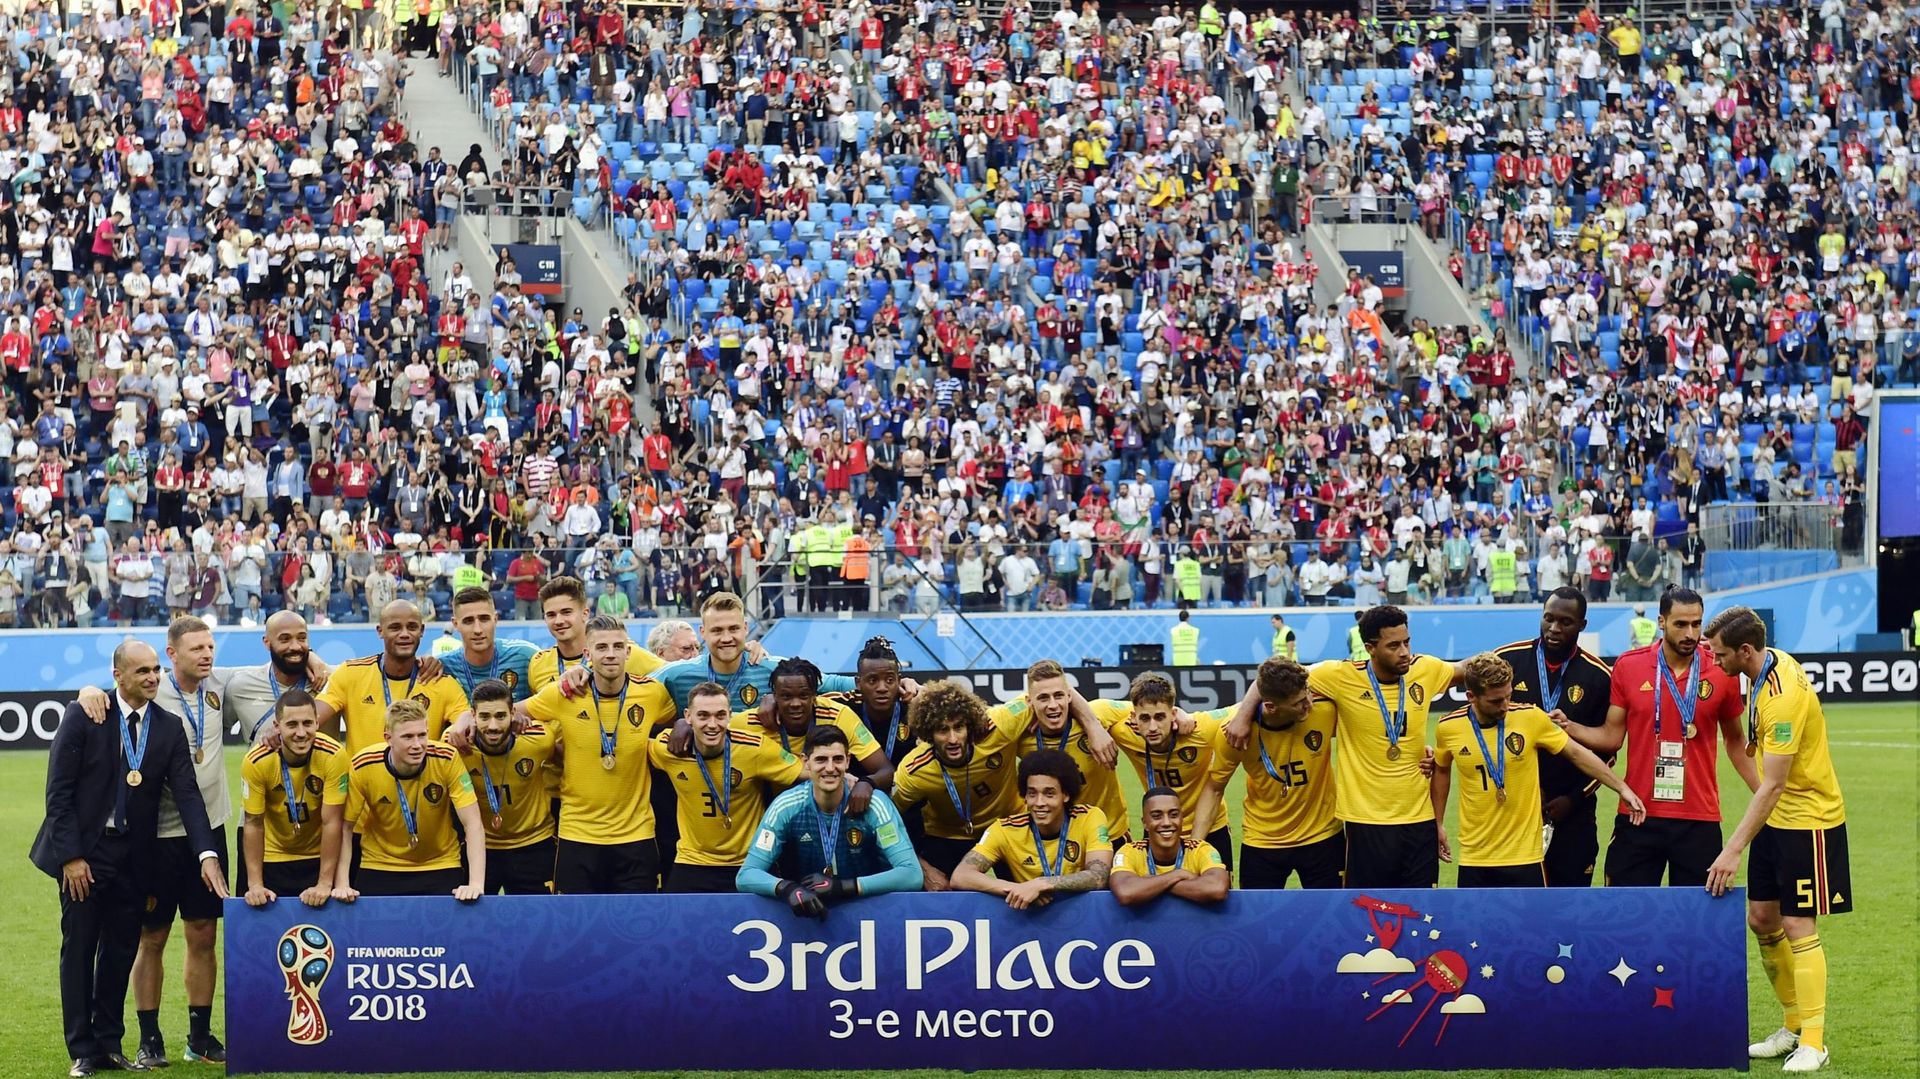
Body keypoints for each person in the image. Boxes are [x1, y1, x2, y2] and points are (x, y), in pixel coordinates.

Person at [33, 640, 226, 1079]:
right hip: (85, 856)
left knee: (120, 952)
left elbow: (189, 795)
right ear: (119, 675)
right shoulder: (87, 714)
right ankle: (82, 1050)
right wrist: (71, 858)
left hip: (134, 858)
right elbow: (58, 793)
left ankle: (109, 1044)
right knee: (79, 951)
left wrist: (207, 853)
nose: (154, 678)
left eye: (156, 669)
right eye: (142, 672)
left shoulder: (168, 726)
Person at [1702, 607, 1850, 1074]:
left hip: (1810, 821)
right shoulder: (1765, 667)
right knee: (1762, 918)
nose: (1716, 662)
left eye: (1721, 654)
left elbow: (1774, 784)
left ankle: (1814, 1040)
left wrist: (1733, 848)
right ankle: (1791, 1025)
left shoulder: (1782, 695)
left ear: (1745, 650)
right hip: (1779, 819)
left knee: (1797, 923)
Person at [1231, 605, 1463, 889]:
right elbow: (1272, 676)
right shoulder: (1339, 676)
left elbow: (1469, 672)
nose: (1404, 652)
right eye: (1393, 645)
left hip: (1419, 818)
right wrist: (1243, 716)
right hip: (1365, 822)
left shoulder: (1425, 669)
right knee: (1367, 913)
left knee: (1422, 911)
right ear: (1370, 648)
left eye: (1407, 642)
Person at [1558, 587, 1760, 886]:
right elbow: (1612, 737)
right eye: (1680, 624)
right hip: (1638, 814)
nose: (1690, 633)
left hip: (1699, 819)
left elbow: (1735, 741)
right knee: (1624, 917)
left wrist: (1764, 792)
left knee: (1697, 923)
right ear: (1661, 622)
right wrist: (1570, 727)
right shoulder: (1629, 665)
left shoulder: (1720, 670)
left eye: (1696, 624)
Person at [1432, 654, 1646, 887]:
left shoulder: (1530, 718)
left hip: (1526, 856)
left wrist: (1621, 788)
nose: (1505, 706)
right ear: (1471, 696)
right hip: (1475, 857)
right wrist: (1439, 823)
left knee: (1530, 924)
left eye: (1508, 696)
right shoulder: (1448, 727)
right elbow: (1442, 770)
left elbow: (1576, 753)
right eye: (1495, 701)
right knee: (1476, 925)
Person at [523, 615, 676, 893]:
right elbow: (511, 713)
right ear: (587, 654)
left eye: (618, 647)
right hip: (577, 834)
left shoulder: (653, 694)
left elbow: (686, 712)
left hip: (636, 835)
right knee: (576, 929)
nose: (610, 654)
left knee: (637, 929)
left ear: (629, 651)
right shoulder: (564, 693)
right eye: (601, 647)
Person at [1495, 587, 1616, 886]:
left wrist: (1573, 799)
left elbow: (1609, 753)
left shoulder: (1599, 677)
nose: (1554, 628)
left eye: (1565, 622)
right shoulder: (1507, 661)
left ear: (1582, 625)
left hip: (1573, 813)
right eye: (1548, 618)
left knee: (1569, 906)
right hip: (1512, 810)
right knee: (1515, 907)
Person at [737, 726, 924, 914]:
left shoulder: (875, 805)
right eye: (820, 759)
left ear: (848, 761)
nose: (830, 768)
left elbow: (911, 875)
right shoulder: (786, 806)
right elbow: (746, 875)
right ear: (805, 762)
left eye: (837, 759)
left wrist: (846, 887)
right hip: (811, 913)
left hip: (872, 911)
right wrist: (787, 888)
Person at [1191, 657, 1342, 889]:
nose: (1309, 704)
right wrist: (1194, 847)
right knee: (1256, 922)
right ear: (1270, 706)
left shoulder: (1324, 710)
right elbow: (1214, 789)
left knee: (1333, 920)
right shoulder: (1235, 734)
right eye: (1299, 703)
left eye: (1308, 694)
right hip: (1263, 840)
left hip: (1322, 837)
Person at [652, 681, 802, 893]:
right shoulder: (668, 748)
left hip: (749, 864)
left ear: (730, 716)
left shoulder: (755, 749)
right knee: (672, 923)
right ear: (688, 716)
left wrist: (856, 780)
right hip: (692, 861)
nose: (712, 724)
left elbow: (806, 772)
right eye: (703, 715)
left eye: (720, 715)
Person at [334, 700, 486, 900]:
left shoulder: (446, 758)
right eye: (407, 737)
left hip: (440, 863)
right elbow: (345, 827)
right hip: (381, 864)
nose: (417, 745)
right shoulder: (364, 764)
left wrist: (475, 883)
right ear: (388, 738)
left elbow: (473, 823)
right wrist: (342, 884)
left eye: (422, 735)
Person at [890, 681, 1035, 891]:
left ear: (970, 725)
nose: (953, 739)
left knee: (1031, 892)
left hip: (1009, 826)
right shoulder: (913, 771)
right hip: (947, 836)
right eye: (942, 730)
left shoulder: (1000, 725)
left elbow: (1045, 694)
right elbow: (888, 823)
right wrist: (923, 868)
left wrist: (1094, 728)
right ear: (928, 734)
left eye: (958, 727)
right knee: (936, 894)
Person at [1089, 673, 1234, 871]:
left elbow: (1243, 707)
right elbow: (1089, 709)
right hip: (1157, 827)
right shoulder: (1124, 732)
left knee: (1219, 894)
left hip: (1210, 827)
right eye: (1145, 719)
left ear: (1173, 714)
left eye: (1160, 717)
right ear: (1133, 718)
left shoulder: (1201, 728)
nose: (1152, 727)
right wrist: (1093, 728)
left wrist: (1187, 715)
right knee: (1153, 896)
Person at [950, 749, 1115, 908]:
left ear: (1066, 794)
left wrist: (1042, 884)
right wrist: (1017, 889)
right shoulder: (1004, 830)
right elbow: (961, 875)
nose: (1039, 803)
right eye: (1032, 793)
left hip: (1083, 917)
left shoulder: (1089, 817)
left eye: (1049, 793)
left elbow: (1098, 876)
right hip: (1030, 920)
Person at [650, 591, 853, 713]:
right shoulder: (677, 675)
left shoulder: (773, 669)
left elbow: (834, 684)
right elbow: (631, 689)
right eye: (717, 631)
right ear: (703, 633)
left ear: (745, 628)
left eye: (734, 629)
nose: (727, 638)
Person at [990, 660, 1124, 841]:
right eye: (1043, 698)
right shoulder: (1020, 735)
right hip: (1051, 841)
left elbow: (1150, 711)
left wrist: (1177, 715)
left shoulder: (1100, 713)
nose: (1053, 705)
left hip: (1108, 834)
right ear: (1029, 701)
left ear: (1069, 696)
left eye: (1058, 696)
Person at [239, 688, 347, 908]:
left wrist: (325, 883)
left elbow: (332, 821)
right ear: (277, 727)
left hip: (318, 855)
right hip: (273, 856)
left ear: (317, 722)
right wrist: (255, 884)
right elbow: (253, 823)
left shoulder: (334, 756)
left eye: (307, 723)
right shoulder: (256, 761)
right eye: (291, 725)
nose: (301, 732)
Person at [317, 600, 471, 752]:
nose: (404, 634)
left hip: (420, 776)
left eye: (412, 627)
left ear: (422, 630)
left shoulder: (441, 682)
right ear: (380, 631)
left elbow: (467, 723)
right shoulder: (350, 673)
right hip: (363, 777)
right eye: (395, 628)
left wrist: (466, 720)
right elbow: (311, 719)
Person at [457, 679, 558, 895]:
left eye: (500, 716)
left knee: (538, 922)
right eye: (484, 716)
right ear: (473, 715)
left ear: (513, 713)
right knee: (473, 920)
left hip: (534, 844)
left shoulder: (540, 741)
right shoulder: (457, 745)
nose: (493, 726)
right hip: (481, 847)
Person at [525, 575, 664, 693]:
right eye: (551, 615)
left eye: (566, 612)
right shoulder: (538, 664)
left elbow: (674, 674)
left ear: (585, 614)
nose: (559, 621)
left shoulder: (621, 654)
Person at [1109, 787, 1231, 906]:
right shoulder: (1130, 852)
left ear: (1181, 819)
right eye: (1157, 816)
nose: (1167, 823)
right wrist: (1179, 875)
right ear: (1145, 823)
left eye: (1173, 815)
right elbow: (1126, 892)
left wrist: (1150, 882)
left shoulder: (1199, 850)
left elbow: (1217, 888)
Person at [438, 586, 539, 703]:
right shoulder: (442, 667)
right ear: (455, 624)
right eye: (468, 621)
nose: (477, 629)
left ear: (495, 619)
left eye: (484, 619)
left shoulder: (526, 656)